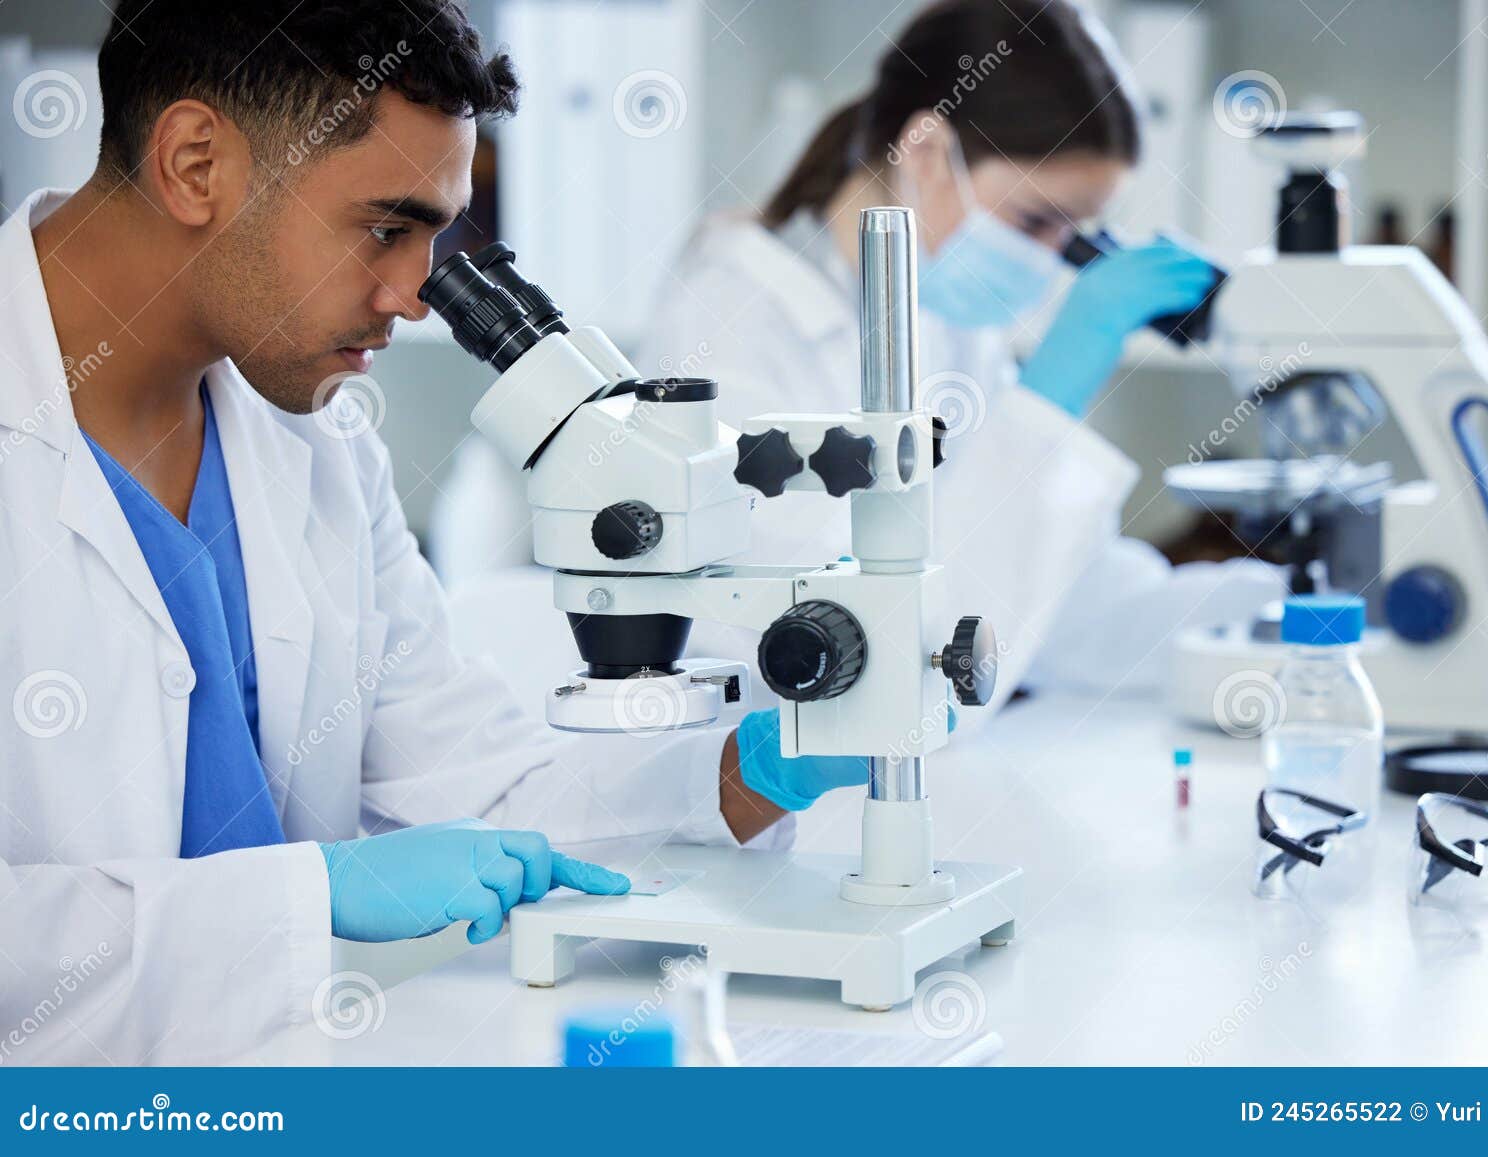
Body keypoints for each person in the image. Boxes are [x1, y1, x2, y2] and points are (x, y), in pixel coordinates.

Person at [0, 0, 871, 1066]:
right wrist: (306, 892)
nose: (415, 295)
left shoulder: (316, 449)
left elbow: (484, 797)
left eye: (438, 238)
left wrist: (745, 770)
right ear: (193, 164)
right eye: (385, 228)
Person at [433, 0, 1279, 714]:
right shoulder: (739, 314)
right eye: (1035, 223)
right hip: (768, 775)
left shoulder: (938, 311)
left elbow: (1047, 605)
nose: (1052, 260)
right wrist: (1047, 408)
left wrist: (1259, 622)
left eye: (1075, 236)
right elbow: (873, 647)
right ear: (925, 156)